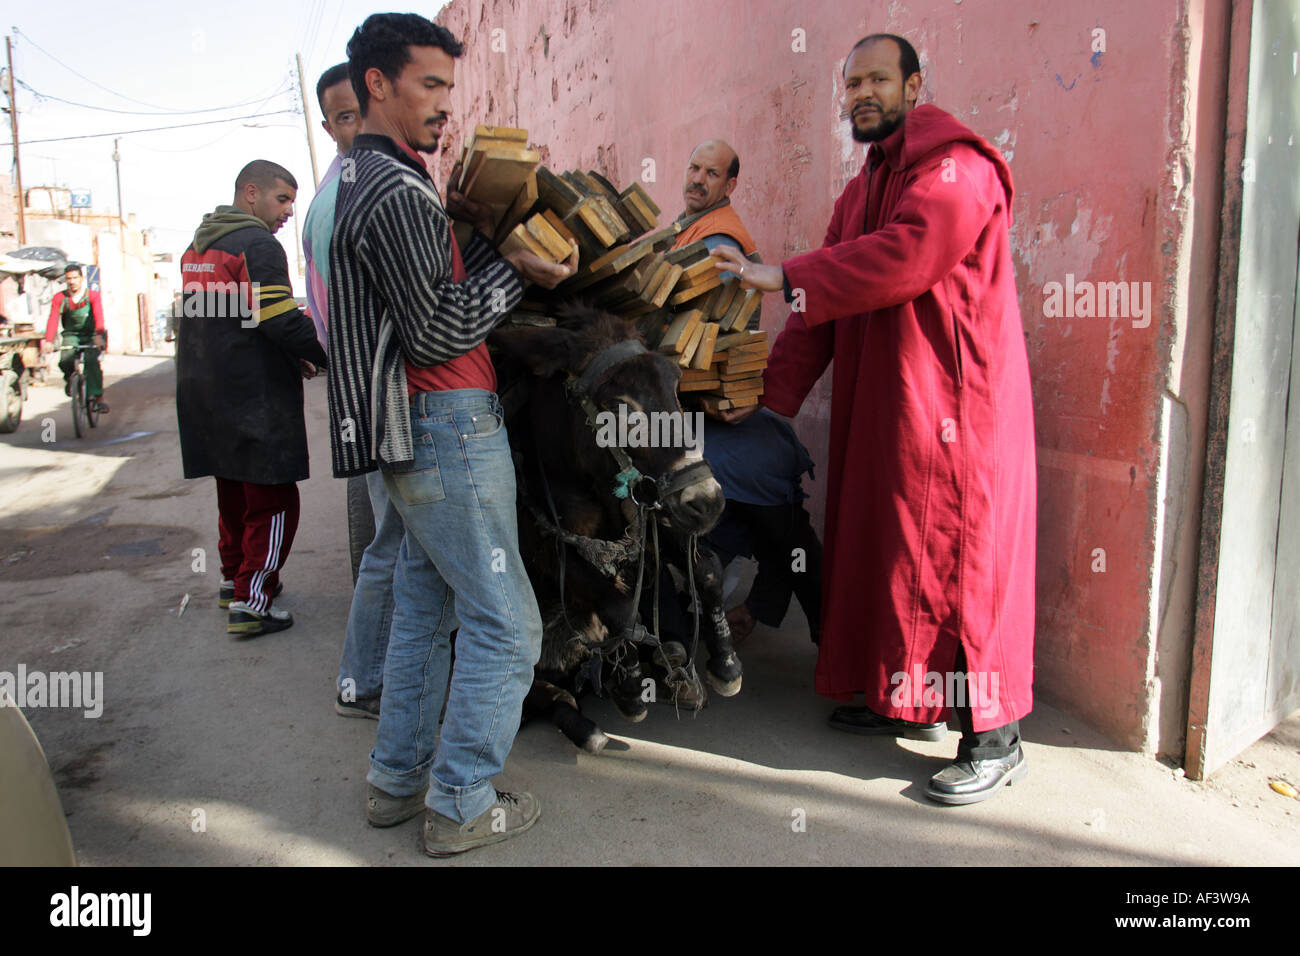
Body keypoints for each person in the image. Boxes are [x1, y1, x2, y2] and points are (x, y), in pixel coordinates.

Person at [712, 33, 1037, 805]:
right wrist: (764, 393)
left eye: (878, 79)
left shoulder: (959, 167)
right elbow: (817, 313)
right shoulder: (859, 191)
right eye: (851, 82)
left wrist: (782, 272)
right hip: (892, 412)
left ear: (914, 85)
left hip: (961, 411)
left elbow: (907, 253)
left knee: (965, 570)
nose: (861, 92)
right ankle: (909, 699)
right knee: (898, 558)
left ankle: (997, 736)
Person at [326, 13, 575, 856]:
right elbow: (436, 331)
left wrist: (463, 230)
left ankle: (396, 784)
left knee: (427, 612)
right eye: (429, 85)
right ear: (377, 85)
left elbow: (413, 298)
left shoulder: (373, 179)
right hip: (446, 428)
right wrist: (518, 267)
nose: (444, 105)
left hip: (414, 433)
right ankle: (463, 800)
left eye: (448, 87)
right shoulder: (394, 190)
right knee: (509, 625)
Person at [177, 159, 328, 637]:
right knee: (275, 498)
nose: (287, 211)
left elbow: (234, 321)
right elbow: (280, 317)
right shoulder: (258, 245)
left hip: (205, 393)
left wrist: (289, 356)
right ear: (250, 193)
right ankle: (252, 601)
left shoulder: (197, 247)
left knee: (235, 493)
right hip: (253, 397)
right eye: (282, 199)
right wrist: (324, 353)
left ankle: (232, 580)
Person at [302, 62, 388, 719]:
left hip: (360, 385)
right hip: (378, 385)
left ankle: (370, 675)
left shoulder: (339, 187)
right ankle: (365, 679)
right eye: (348, 114)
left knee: (387, 540)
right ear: (331, 126)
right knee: (395, 546)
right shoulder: (353, 193)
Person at [41, 264, 108, 413]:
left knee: (92, 362)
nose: (72, 281)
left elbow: (99, 316)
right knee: (65, 360)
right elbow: (53, 318)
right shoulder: (60, 298)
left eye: (75, 278)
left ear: (81, 278)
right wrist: (49, 340)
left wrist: (99, 335)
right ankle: (70, 381)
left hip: (91, 335)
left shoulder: (92, 296)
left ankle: (97, 398)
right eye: (68, 279)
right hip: (71, 335)